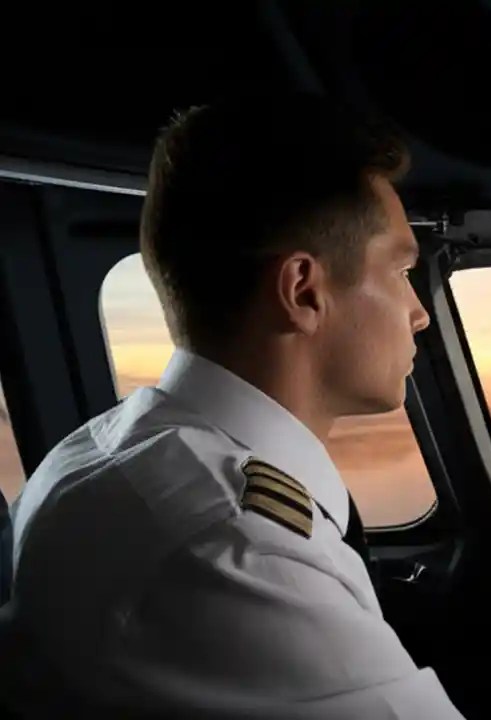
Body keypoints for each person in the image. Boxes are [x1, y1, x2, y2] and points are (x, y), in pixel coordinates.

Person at [4, 93, 466, 719]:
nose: (419, 314)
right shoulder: (236, 549)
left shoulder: (105, 447)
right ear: (304, 290)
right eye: (400, 271)